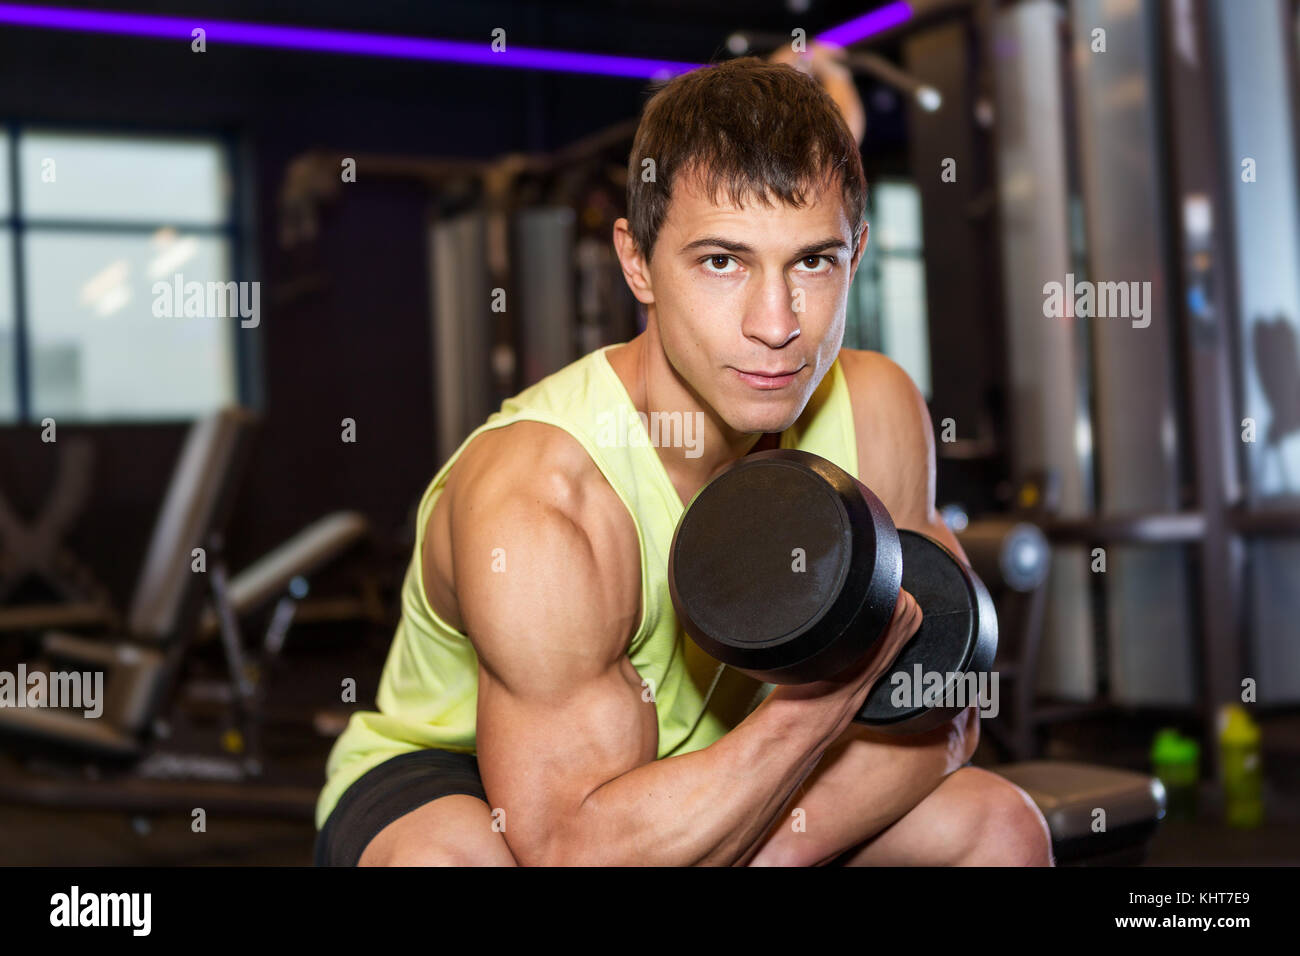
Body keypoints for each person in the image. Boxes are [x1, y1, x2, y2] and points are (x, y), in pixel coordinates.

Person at [314, 52, 1054, 867]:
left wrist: (759, 855)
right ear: (637, 263)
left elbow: (942, 707)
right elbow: (574, 849)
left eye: (812, 261)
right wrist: (823, 707)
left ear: (858, 254)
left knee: (998, 826)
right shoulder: (542, 501)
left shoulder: (874, 409)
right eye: (722, 261)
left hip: (743, 759)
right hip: (484, 784)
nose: (777, 323)